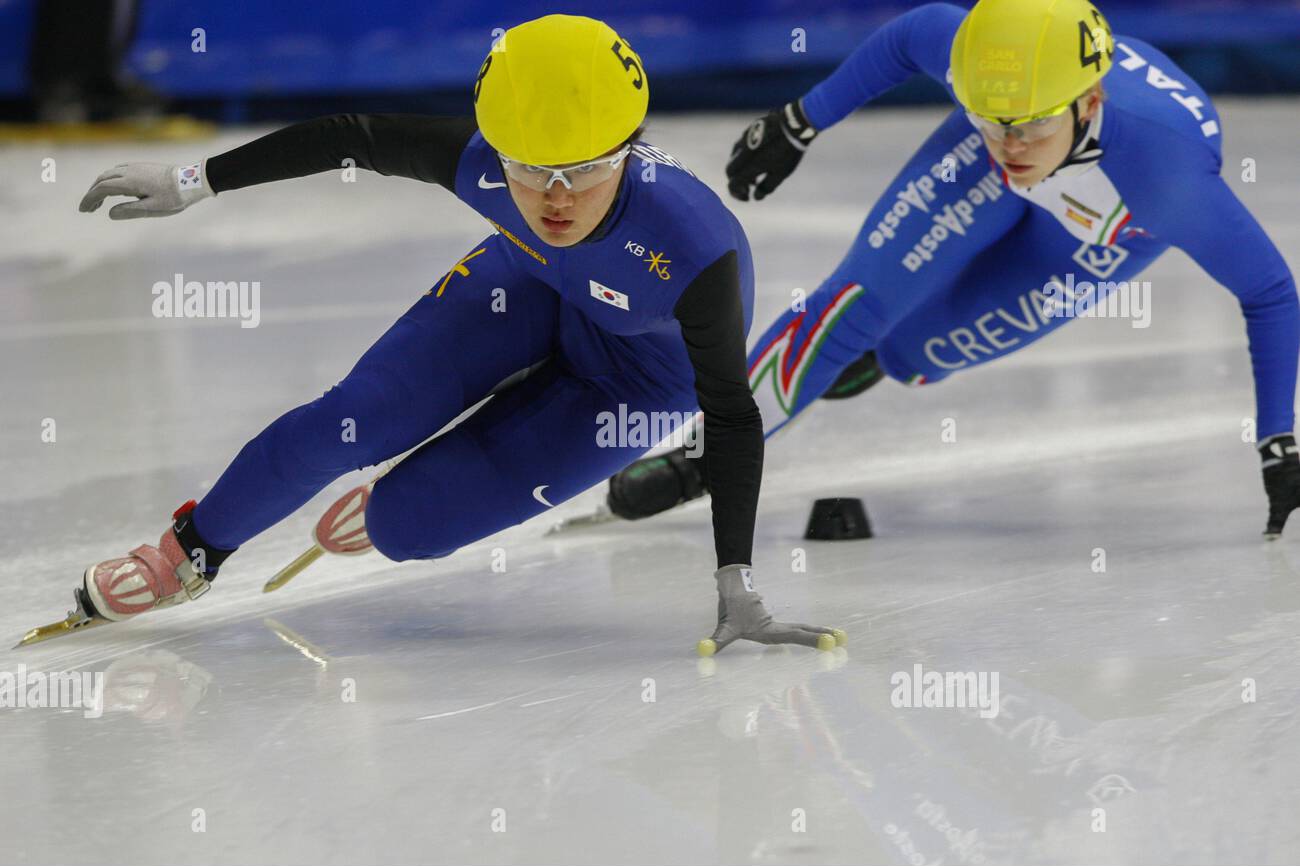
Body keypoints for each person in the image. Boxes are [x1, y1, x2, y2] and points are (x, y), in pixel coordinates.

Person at [41, 14, 845, 657]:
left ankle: (401, 504)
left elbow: (732, 415)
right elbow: (352, 133)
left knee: (406, 526)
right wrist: (191, 182)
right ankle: (188, 556)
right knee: (347, 422)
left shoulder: (695, 249)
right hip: (528, 286)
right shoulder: (481, 163)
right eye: (529, 169)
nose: (554, 198)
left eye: (582, 173)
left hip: (633, 383)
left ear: (627, 152)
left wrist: (735, 580)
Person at [606, 0, 1300, 541]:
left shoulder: (1169, 182)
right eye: (990, 120)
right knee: (856, 306)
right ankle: (702, 457)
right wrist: (798, 121)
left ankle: (876, 354)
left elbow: (1269, 292)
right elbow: (916, 34)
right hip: (1006, 174)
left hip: (1108, 225)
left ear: (1090, 103)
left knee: (912, 352)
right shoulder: (995, 84)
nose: (1008, 145)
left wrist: (1278, 441)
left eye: (1026, 125)